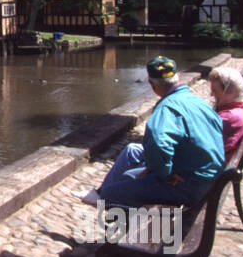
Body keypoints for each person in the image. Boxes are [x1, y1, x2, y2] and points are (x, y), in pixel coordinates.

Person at [81, 57, 226, 209]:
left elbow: (158, 143)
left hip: (189, 185)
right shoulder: (199, 102)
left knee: (113, 193)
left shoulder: (166, 108)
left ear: (151, 84)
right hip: (209, 176)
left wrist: (167, 175)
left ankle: (117, 217)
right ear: (178, 77)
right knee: (132, 151)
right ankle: (101, 194)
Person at [208, 64, 243, 156]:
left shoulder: (229, 117)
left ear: (229, 92)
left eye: (215, 90)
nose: (211, 94)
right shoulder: (240, 108)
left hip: (216, 166)